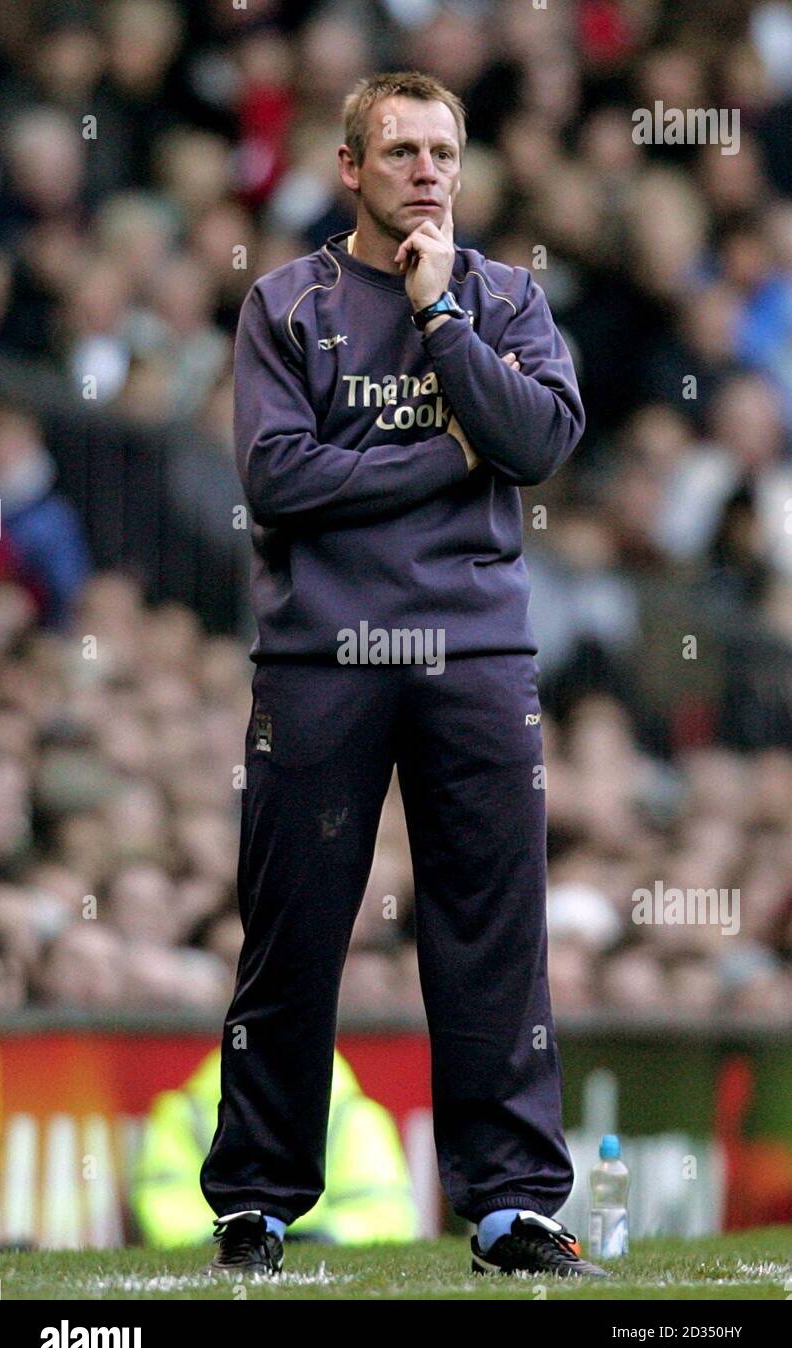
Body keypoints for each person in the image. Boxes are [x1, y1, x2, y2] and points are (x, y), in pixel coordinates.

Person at [200, 71, 609, 1280]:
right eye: (399, 151)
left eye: (442, 151)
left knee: (496, 934)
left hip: (476, 656)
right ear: (348, 167)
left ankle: (509, 1209)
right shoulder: (285, 304)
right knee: (294, 930)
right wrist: (449, 449)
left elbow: (536, 443)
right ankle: (256, 1203)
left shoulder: (504, 299)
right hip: (321, 656)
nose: (425, 171)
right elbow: (279, 481)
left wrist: (442, 326)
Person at [131, 1048, 418, 1248]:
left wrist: (318, 1239)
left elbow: (385, 1213)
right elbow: (165, 1210)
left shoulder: (353, 1115)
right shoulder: (185, 1113)